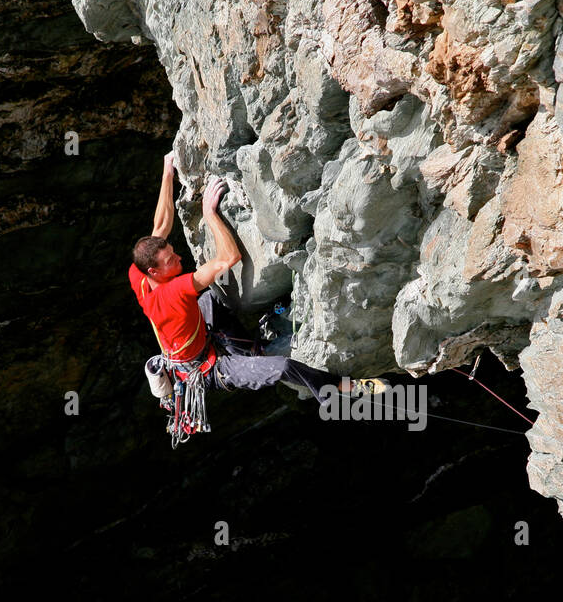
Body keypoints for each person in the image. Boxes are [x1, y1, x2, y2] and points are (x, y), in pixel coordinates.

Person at [128, 152, 384, 430]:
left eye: (174, 253)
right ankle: (336, 388)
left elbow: (161, 226)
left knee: (214, 297)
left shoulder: (139, 274)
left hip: (191, 344)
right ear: (155, 271)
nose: (178, 258)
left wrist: (168, 170)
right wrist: (210, 215)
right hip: (209, 370)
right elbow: (229, 258)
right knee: (282, 368)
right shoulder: (175, 291)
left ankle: (249, 348)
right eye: (170, 261)